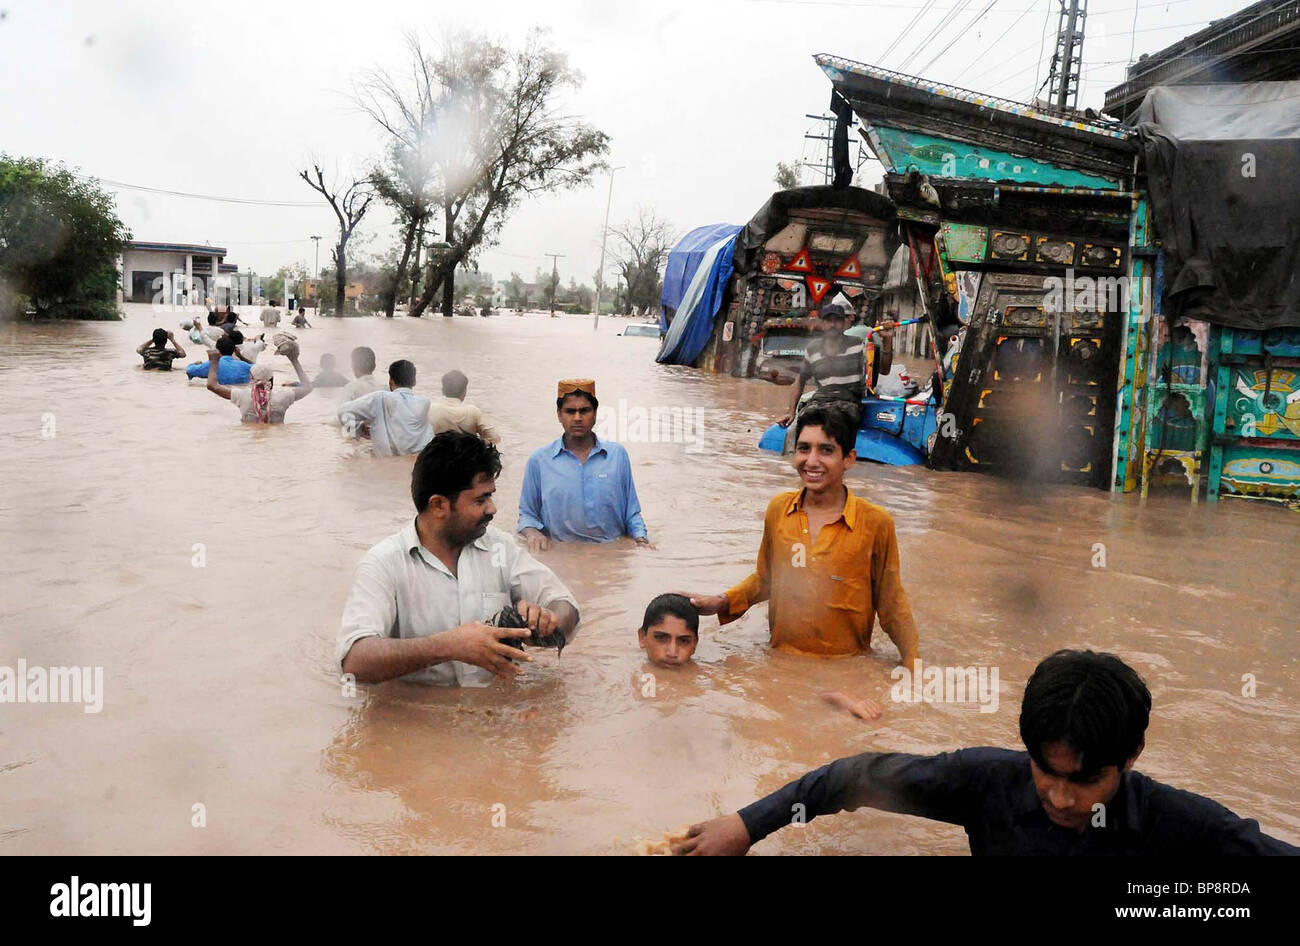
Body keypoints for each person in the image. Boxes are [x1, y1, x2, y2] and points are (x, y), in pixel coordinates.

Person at [674, 650, 1300, 856]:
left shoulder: (1174, 821)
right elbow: (854, 777)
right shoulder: (987, 782)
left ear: (1131, 757)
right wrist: (746, 825)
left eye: (1084, 782)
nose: (1059, 796)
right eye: (1046, 772)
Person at [681, 405, 919, 669]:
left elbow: (891, 602)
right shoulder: (779, 510)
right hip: (780, 663)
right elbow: (766, 579)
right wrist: (721, 602)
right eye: (804, 448)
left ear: (849, 459)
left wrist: (913, 663)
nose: (812, 461)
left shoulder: (876, 522)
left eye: (826, 450)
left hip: (846, 668)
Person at [337, 431, 581, 687]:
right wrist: (447, 646)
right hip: (423, 717)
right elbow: (354, 661)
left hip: (495, 714)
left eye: (491, 495)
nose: (493, 508)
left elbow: (567, 607)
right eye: (481, 499)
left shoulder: (500, 547)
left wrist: (545, 621)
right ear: (439, 505)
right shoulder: (384, 564)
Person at [518, 379, 649, 553]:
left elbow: (631, 513)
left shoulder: (617, 456)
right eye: (570, 411)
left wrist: (641, 541)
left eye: (584, 411)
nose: (577, 418)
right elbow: (527, 515)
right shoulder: (539, 461)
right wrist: (532, 533)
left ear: (595, 413)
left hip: (611, 554)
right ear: (559, 415)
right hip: (561, 555)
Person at [778, 302, 895, 437]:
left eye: (837, 321)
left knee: (832, 424)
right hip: (820, 401)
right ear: (822, 324)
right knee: (796, 428)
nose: (832, 325)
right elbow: (800, 381)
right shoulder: (812, 349)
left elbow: (884, 370)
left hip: (848, 404)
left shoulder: (858, 344)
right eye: (828, 321)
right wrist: (791, 412)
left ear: (844, 324)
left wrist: (887, 341)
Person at [337, 359, 434, 457]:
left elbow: (342, 412)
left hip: (385, 462)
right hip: (421, 461)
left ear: (390, 381)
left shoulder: (381, 398)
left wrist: (357, 430)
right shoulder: (424, 402)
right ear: (414, 382)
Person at [204, 346, 311, 423]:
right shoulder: (283, 397)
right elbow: (308, 387)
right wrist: (294, 360)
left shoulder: (242, 396)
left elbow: (212, 385)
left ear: (251, 380)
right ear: (272, 381)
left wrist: (214, 362)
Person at [428, 369, 500, 443]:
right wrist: (475, 444)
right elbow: (495, 438)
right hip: (467, 453)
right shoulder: (473, 412)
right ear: (464, 391)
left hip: (437, 452)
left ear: (443, 389)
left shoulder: (430, 409)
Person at [638, 594, 698, 669]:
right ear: (642, 637)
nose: (672, 653)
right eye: (661, 638)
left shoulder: (709, 676)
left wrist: (717, 606)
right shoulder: (626, 670)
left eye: (683, 641)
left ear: (695, 644)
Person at [186, 334, 252, 384]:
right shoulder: (244, 365)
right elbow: (258, 369)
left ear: (217, 350)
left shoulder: (212, 365)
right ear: (233, 351)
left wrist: (194, 364)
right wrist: (241, 357)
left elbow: (189, 371)